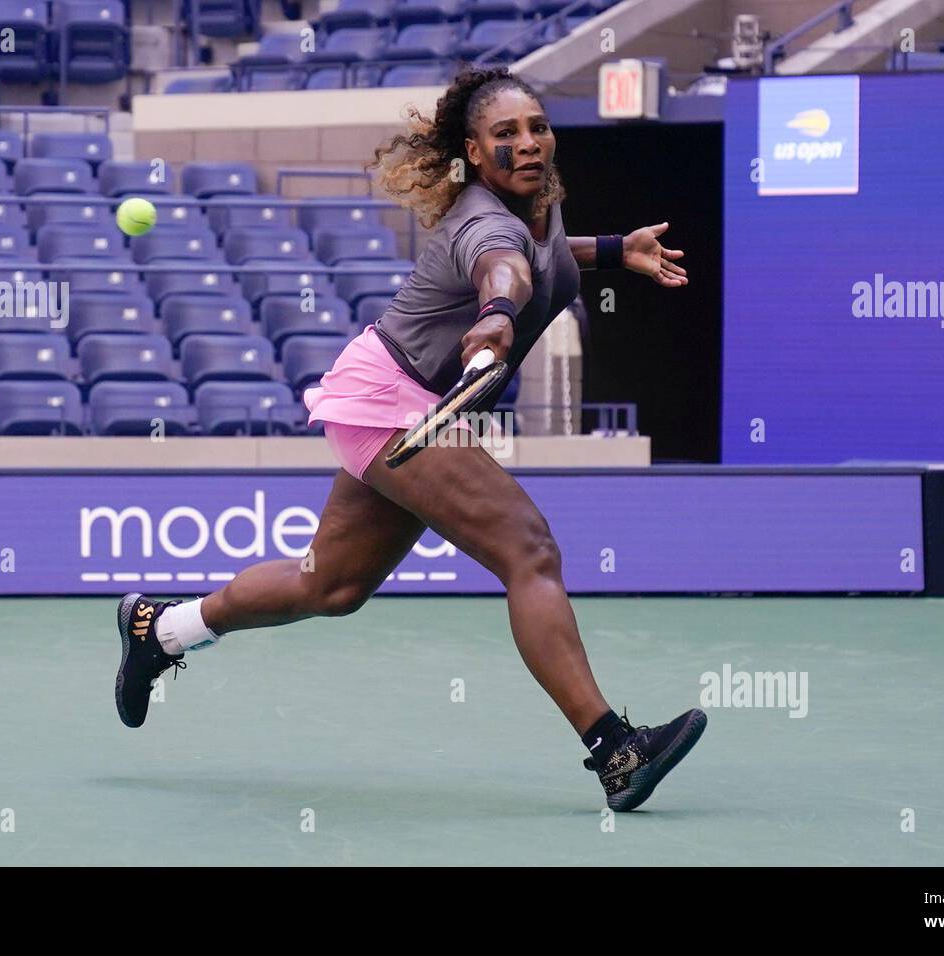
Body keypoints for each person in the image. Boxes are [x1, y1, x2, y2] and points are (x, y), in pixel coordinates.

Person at [114, 66, 705, 811]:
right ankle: (613, 748)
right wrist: (494, 323)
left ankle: (159, 630)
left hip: (391, 396)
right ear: (474, 151)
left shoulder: (537, 204)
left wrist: (616, 249)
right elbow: (507, 273)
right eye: (505, 135)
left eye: (537, 127)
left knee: (329, 586)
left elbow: (545, 255)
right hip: (397, 400)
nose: (528, 144)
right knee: (529, 552)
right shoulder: (488, 225)